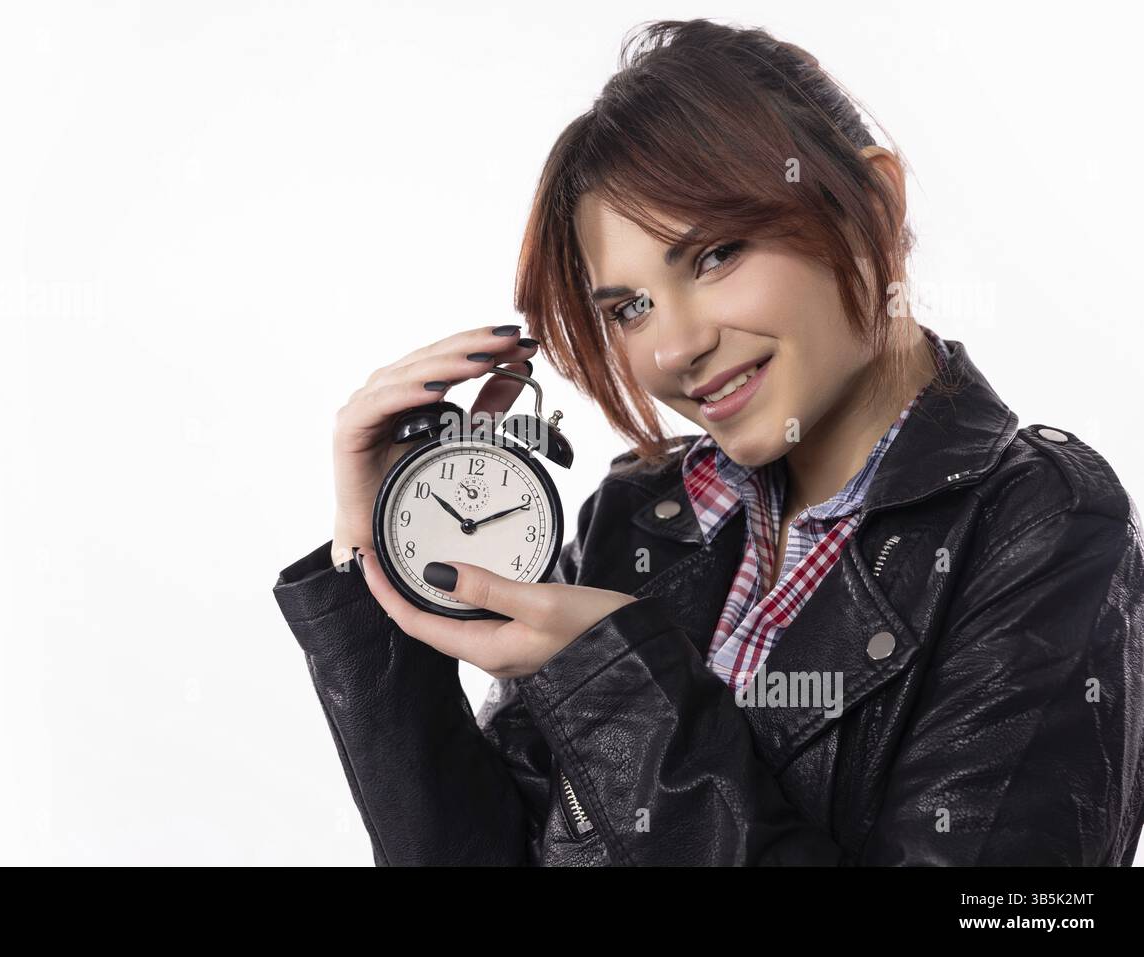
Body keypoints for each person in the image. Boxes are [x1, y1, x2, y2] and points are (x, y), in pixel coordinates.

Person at [272, 18, 1144, 865]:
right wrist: (382, 544)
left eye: (717, 254)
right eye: (630, 308)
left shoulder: (1045, 527)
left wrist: (619, 687)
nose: (674, 347)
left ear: (873, 205)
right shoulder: (641, 515)